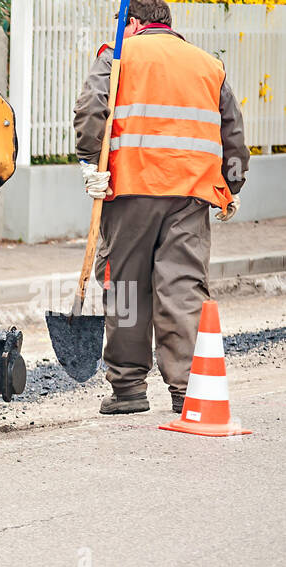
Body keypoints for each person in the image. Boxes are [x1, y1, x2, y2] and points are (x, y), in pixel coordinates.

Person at [74, 0, 250, 414]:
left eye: (120, 23)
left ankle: (129, 389)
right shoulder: (208, 65)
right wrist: (233, 182)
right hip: (191, 194)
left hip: (131, 190)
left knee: (126, 290)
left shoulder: (116, 58)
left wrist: (88, 162)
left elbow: (89, 112)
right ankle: (187, 390)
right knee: (182, 287)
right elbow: (233, 131)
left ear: (133, 23)